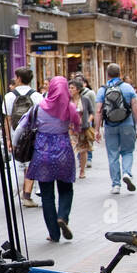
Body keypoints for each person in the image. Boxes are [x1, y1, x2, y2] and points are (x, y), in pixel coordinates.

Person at [17, 77, 81, 242]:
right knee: (66, 189)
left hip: (42, 154)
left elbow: (20, 128)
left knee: (47, 195)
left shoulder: (38, 108)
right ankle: (63, 217)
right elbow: (78, 126)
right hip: (64, 154)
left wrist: (15, 145)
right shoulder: (69, 107)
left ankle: (54, 234)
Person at [94, 63, 137, 195]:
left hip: (110, 126)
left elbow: (98, 111)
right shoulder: (128, 88)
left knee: (113, 154)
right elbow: (135, 109)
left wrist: (97, 129)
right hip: (127, 124)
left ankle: (116, 185)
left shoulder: (103, 90)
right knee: (127, 151)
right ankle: (127, 173)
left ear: (107, 74)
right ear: (120, 73)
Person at [3, 68, 43, 207]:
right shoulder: (37, 96)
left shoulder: (9, 97)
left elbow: (7, 119)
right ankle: (27, 195)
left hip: (16, 135)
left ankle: (20, 190)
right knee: (32, 163)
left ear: (18, 78)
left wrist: (8, 139)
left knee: (18, 162)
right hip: (33, 135)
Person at [69, 77, 94, 179]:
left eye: (72, 88)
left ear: (78, 89)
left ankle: (82, 171)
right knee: (70, 150)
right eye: (69, 88)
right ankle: (71, 171)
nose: (70, 90)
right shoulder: (67, 100)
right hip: (70, 129)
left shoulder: (85, 99)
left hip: (83, 128)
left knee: (83, 150)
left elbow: (92, 112)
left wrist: (88, 120)